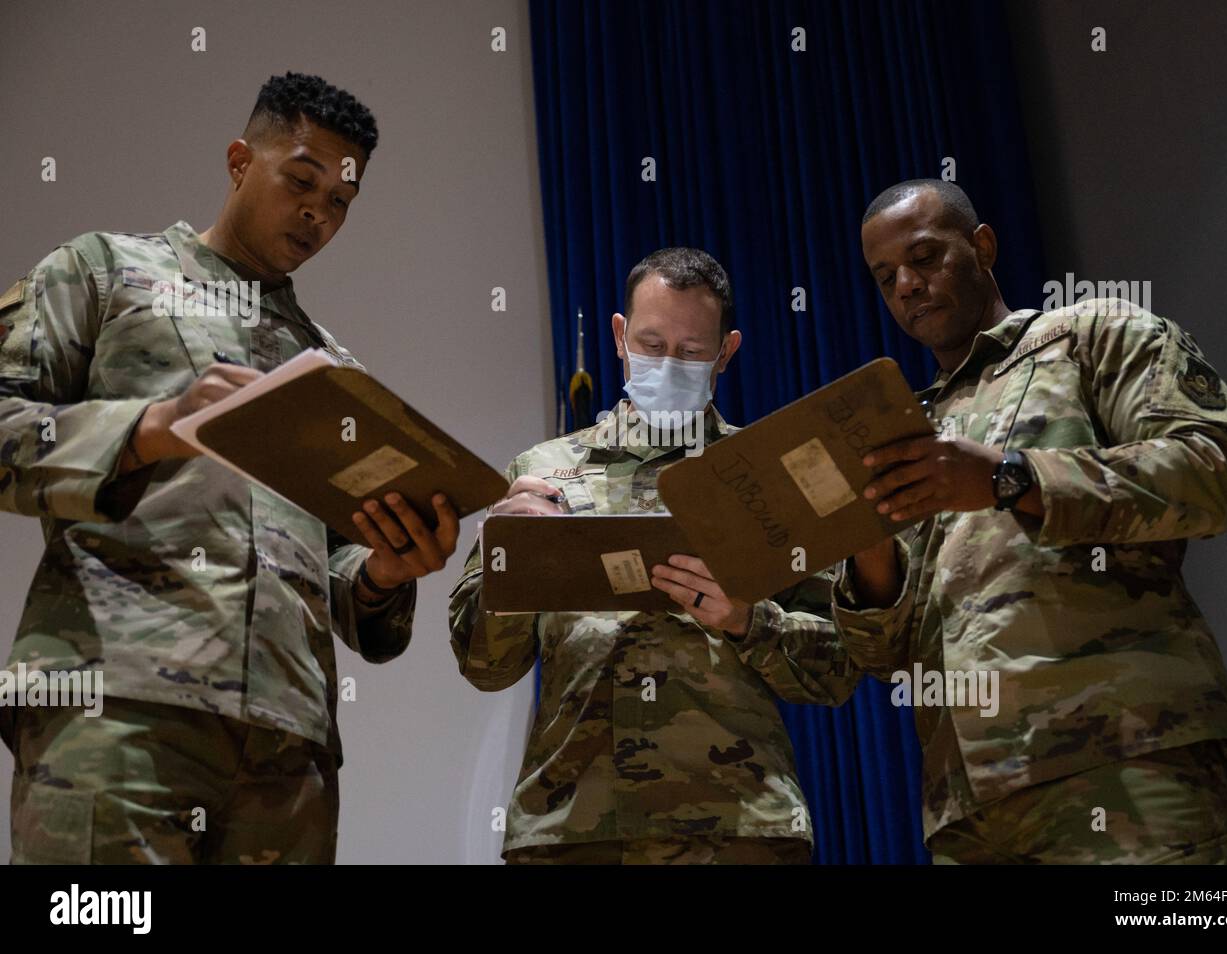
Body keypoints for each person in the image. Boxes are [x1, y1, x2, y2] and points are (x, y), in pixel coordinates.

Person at [0, 72, 459, 864]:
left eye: (341, 202)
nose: (318, 211)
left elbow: (345, 581)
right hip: (121, 705)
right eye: (302, 179)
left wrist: (384, 572)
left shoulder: (333, 373)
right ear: (241, 160)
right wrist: (152, 426)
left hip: (289, 750)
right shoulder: (106, 273)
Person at [835, 178, 1227, 863]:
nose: (907, 286)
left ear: (982, 245)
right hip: (969, 804)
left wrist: (1010, 477)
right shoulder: (901, 431)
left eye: (925, 257)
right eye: (886, 277)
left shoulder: (1091, 334)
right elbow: (883, 658)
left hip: (1121, 751)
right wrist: (868, 550)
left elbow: (1210, 474)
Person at [449, 247, 863, 864]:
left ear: (727, 351)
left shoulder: (773, 476)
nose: (669, 364)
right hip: (570, 828)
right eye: (651, 343)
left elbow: (841, 666)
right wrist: (512, 565)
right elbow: (484, 667)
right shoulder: (540, 470)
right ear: (619, 336)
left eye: (692, 352)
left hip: (739, 825)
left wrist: (749, 620)